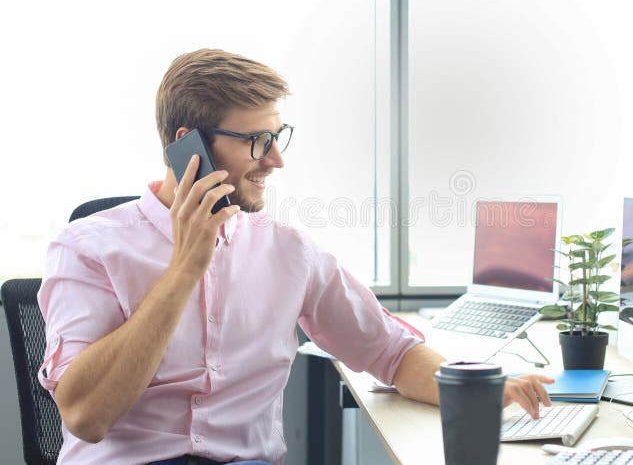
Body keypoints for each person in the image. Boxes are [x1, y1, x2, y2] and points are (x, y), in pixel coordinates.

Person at [38, 49, 553, 465]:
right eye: (259, 141)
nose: (277, 160)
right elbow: (86, 416)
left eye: (278, 137)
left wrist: (486, 385)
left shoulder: (288, 251)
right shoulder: (87, 247)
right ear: (187, 145)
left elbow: (391, 352)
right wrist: (183, 271)